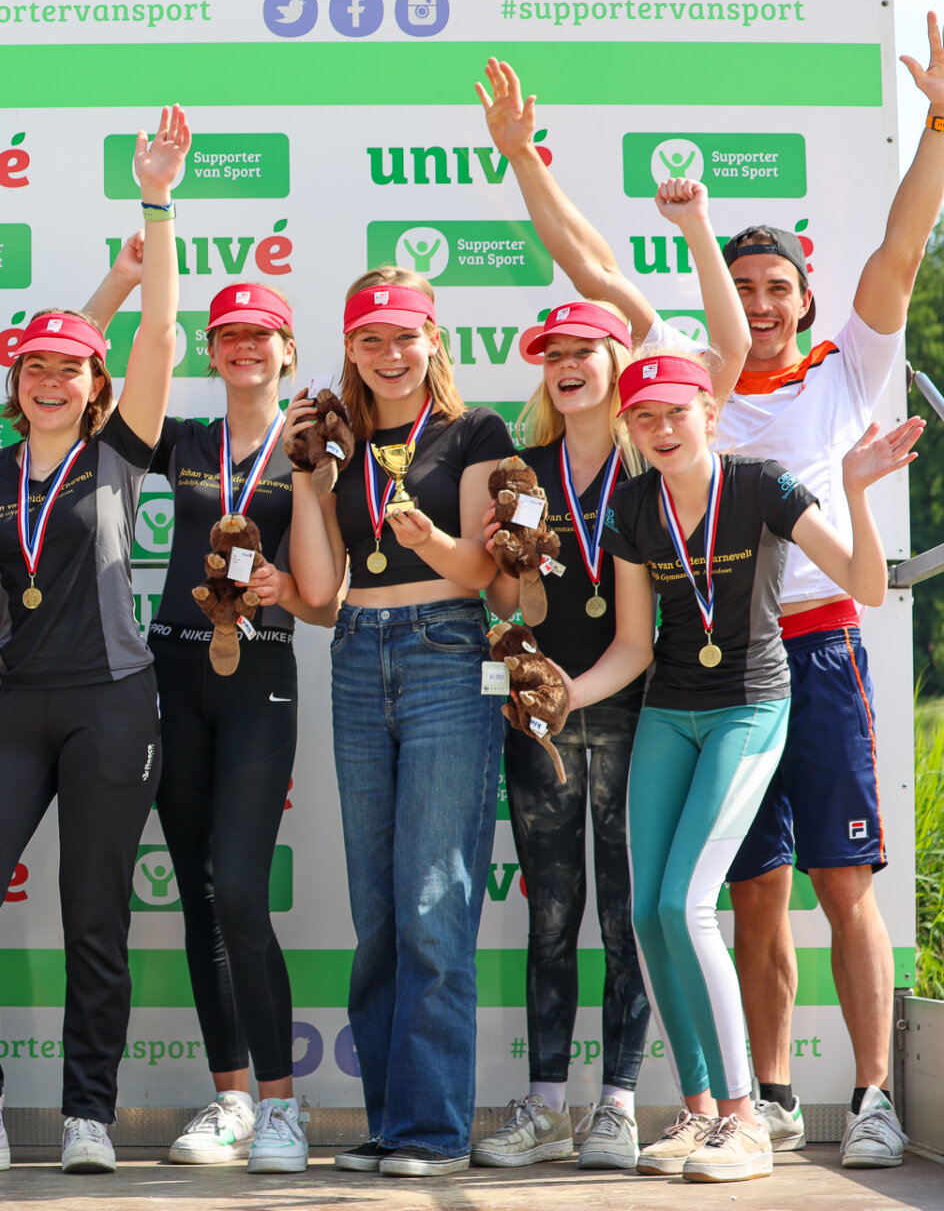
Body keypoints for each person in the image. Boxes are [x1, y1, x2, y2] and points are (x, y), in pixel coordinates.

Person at [470, 69, 757, 1168]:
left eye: (591, 350)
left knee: (632, 918)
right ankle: (545, 1098)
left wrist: (526, 158)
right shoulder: (517, 468)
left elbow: (707, 350)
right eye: (556, 353)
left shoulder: (652, 446)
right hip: (543, 712)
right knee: (551, 912)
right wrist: (507, 579)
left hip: (644, 705)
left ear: (620, 364)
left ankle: (619, 1101)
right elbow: (503, 596)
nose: (574, 365)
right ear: (543, 368)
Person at [0, 104, 187, 1177]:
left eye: (72, 366)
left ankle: (87, 1116)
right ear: (15, 383)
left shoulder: (123, 448)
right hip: (15, 700)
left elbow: (157, 333)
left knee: (95, 920)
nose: (54, 379)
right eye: (36, 368)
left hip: (115, 698)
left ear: (95, 380)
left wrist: (155, 202)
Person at [566, 352, 919, 1183]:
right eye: (643, 416)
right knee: (649, 910)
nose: (659, 429)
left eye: (674, 412)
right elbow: (631, 648)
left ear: (709, 413)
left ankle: (745, 1119)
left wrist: (859, 493)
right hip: (667, 713)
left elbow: (866, 583)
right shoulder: (632, 506)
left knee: (689, 904)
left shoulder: (763, 483)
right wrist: (564, 696)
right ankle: (698, 1115)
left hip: (752, 706)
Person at [711, 18, 944, 1166]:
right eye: (741, 284)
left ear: (804, 295)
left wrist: (940, 123)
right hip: (725, 661)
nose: (758, 300)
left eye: (775, 284)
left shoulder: (848, 363)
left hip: (822, 647)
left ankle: (869, 1096)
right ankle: (770, 1093)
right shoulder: (693, 384)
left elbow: (901, 248)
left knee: (844, 883)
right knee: (756, 895)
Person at [288, 267, 515, 1178]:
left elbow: (482, 575)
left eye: (404, 337)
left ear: (434, 339)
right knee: (377, 911)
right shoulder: (337, 440)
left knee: (434, 901)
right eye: (370, 340)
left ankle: (432, 1131)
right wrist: (307, 479)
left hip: (449, 651)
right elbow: (314, 591)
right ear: (349, 346)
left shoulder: (476, 432)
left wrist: (426, 541)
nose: (389, 355)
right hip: (355, 651)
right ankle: (391, 1123)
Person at [87, 271, 316, 1172]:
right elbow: (86, 384)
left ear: (288, 351)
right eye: (229, 336)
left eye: (263, 335)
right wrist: (123, 281)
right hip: (173, 668)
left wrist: (286, 589)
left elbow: (326, 593)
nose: (246, 347)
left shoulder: (310, 450)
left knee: (241, 891)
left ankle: (283, 1108)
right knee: (198, 896)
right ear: (211, 352)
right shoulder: (182, 439)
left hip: (259, 668)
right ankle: (231, 1102)